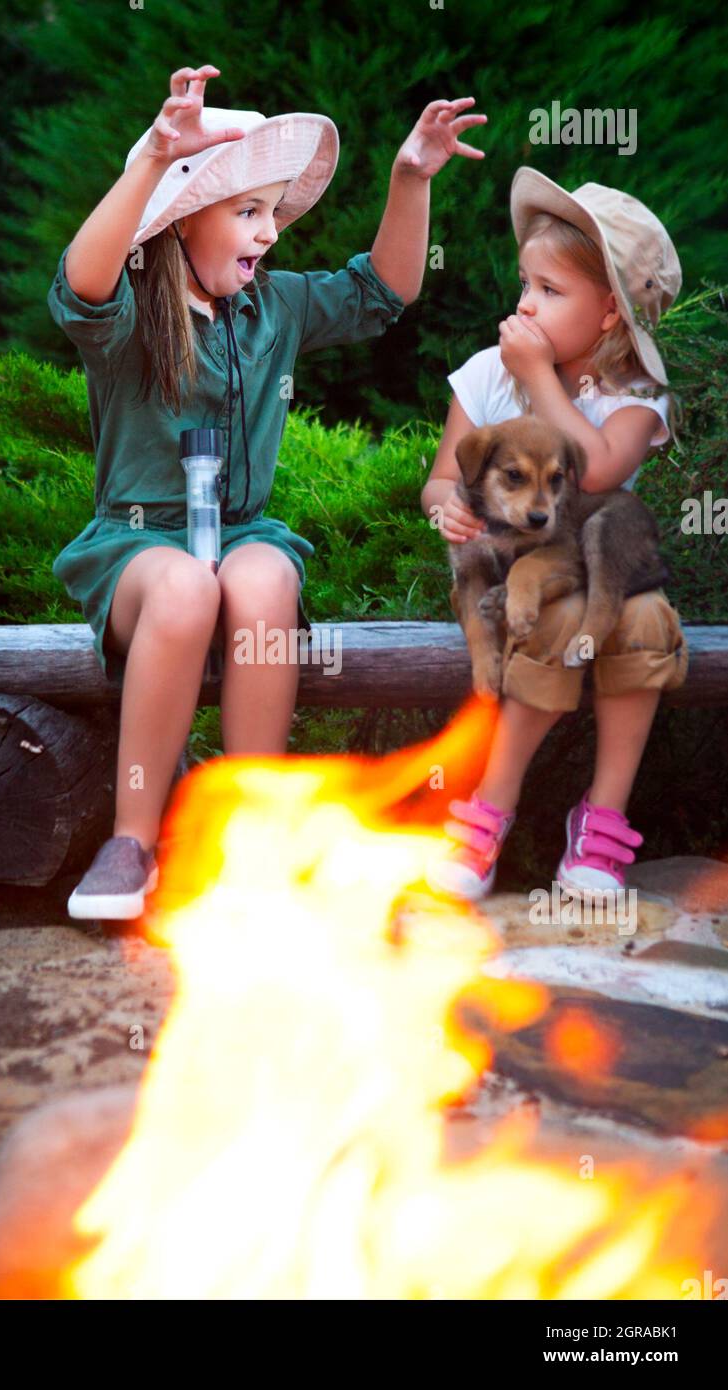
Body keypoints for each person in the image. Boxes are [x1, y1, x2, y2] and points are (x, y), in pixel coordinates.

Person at [49, 64, 488, 919]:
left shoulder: (273, 307)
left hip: (243, 529)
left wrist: (409, 178)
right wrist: (150, 160)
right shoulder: (131, 314)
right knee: (183, 588)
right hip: (140, 546)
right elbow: (79, 283)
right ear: (180, 226)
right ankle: (133, 839)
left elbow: (382, 291)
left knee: (261, 580)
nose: (271, 234)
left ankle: (254, 833)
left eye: (274, 213)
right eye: (247, 213)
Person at [421, 166, 688, 901]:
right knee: (557, 612)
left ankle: (600, 822)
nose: (524, 303)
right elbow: (442, 478)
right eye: (525, 283)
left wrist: (537, 373)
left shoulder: (635, 396)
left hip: (604, 571)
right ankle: (490, 809)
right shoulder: (485, 377)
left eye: (549, 291)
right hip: (516, 577)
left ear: (608, 313)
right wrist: (448, 506)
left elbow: (597, 471)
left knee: (643, 620)